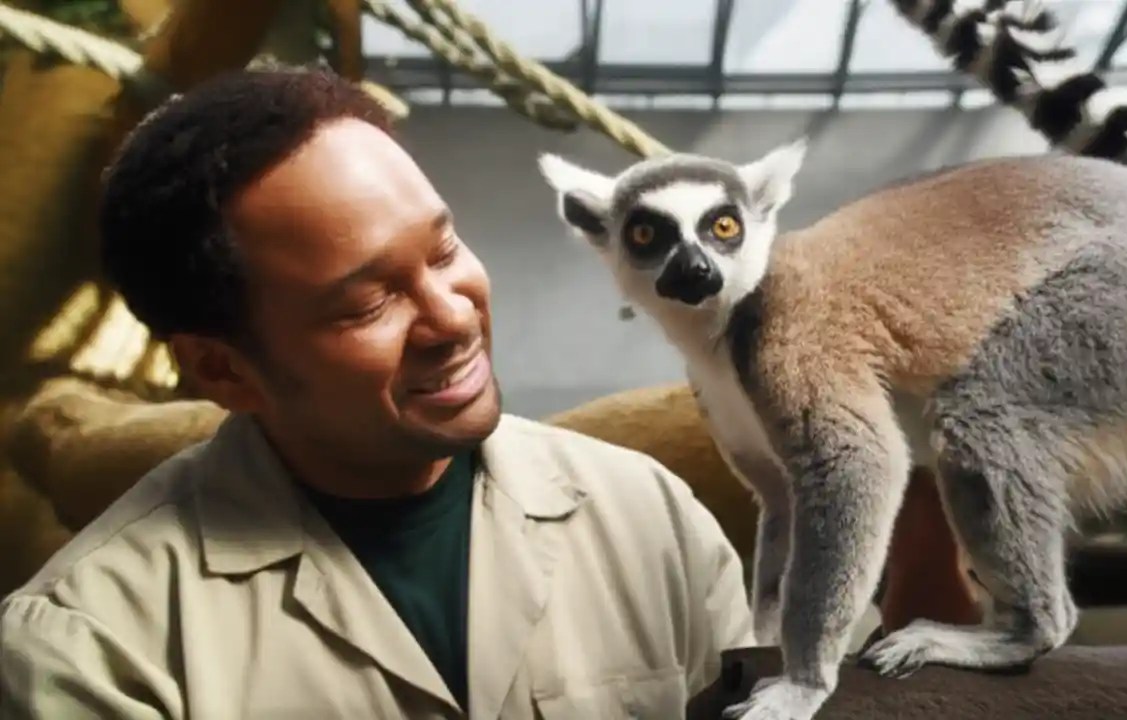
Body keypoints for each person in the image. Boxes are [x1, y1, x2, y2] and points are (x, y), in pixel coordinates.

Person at [0, 68, 754, 719]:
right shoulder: (91, 647)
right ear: (223, 371)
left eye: (444, 249)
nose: (453, 316)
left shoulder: (650, 519)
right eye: (368, 304)